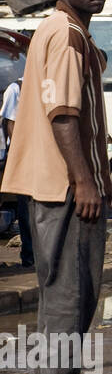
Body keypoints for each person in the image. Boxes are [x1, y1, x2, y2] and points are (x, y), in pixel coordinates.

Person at [1, 0, 112, 374]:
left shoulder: (58, 29)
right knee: (73, 293)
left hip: (51, 184)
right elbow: (63, 113)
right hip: (67, 185)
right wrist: (84, 180)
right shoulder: (66, 35)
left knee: (57, 293)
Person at [0, 76, 33, 266]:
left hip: (39, 154)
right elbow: (10, 123)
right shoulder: (16, 89)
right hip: (22, 155)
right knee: (25, 207)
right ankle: (29, 255)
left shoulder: (42, 84)